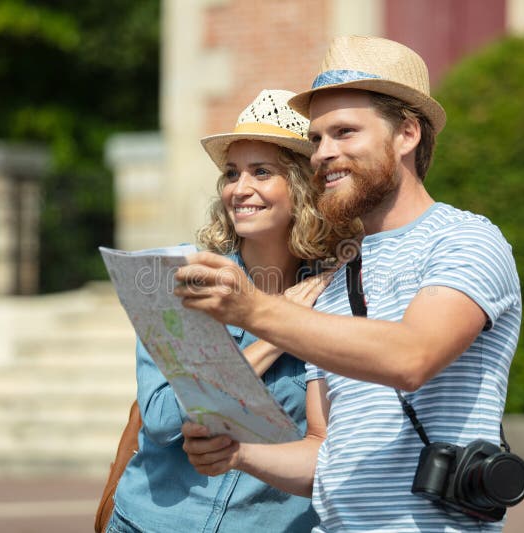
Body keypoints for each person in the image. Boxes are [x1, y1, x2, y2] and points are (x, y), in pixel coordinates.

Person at [176, 36, 522, 532]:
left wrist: (255, 309)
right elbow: (324, 451)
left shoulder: (465, 239)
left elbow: (412, 357)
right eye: (317, 138)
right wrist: (238, 454)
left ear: (407, 133)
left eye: (344, 133)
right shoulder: (336, 279)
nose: (323, 154)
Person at [107, 89, 357, 533]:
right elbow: (162, 418)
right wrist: (277, 329)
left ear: (303, 186)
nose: (240, 189)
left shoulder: (336, 298)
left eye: (261, 172)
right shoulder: (181, 276)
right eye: (231, 173)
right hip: (149, 524)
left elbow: (332, 445)